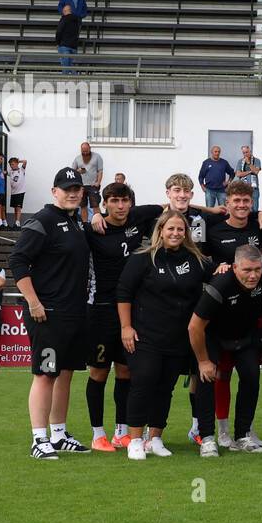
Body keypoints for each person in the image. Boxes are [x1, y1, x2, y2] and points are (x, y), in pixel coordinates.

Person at [8, 167, 93, 459]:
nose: (72, 193)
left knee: (65, 373)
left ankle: (58, 434)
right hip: (49, 314)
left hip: (74, 313)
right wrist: (33, 302)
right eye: (66, 188)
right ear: (54, 191)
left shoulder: (77, 223)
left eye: (76, 189)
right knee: (45, 374)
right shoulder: (42, 220)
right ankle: (39, 438)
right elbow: (18, 261)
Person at [117, 210, 213, 460]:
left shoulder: (196, 259)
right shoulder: (143, 258)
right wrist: (126, 327)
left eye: (180, 229)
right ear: (160, 230)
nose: (175, 233)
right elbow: (124, 292)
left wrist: (225, 267)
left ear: (186, 233)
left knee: (165, 387)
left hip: (178, 337)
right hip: (145, 335)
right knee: (144, 381)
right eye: (170, 228)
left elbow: (217, 275)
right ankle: (135, 440)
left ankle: (155, 438)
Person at [82, 182, 165, 451]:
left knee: (126, 371)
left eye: (124, 200)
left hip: (130, 309)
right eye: (114, 201)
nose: (120, 206)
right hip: (102, 309)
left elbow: (173, 207)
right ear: (105, 203)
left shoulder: (140, 217)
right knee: (99, 373)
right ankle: (97, 434)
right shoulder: (93, 229)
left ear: (131, 201)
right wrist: (93, 215)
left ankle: (121, 431)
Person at [189, 244, 262, 454]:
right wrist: (203, 361)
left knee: (252, 376)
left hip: (245, 336)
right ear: (235, 267)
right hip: (214, 337)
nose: (253, 275)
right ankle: (207, 438)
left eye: (257, 269)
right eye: (247, 270)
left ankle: (242, 435)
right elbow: (194, 326)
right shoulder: (220, 284)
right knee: (207, 377)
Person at [71, 142, 103, 224]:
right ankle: (85, 224)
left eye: (86, 151)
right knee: (83, 206)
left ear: (90, 148)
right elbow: (73, 171)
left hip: (93, 185)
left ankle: (98, 222)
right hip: (81, 186)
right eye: (83, 151)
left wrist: (98, 182)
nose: (85, 153)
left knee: (95, 205)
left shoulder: (97, 157)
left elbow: (100, 171)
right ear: (81, 150)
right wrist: (79, 171)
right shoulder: (77, 158)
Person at [236, 145, 262, 212]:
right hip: (243, 187)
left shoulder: (257, 160)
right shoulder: (240, 161)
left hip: (254, 187)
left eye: (247, 152)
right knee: (245, 207)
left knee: (255, 208)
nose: (245, 154)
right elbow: (238, 174)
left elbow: (256, 172)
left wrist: (248, 163)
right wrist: (250, 171)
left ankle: (254, 221)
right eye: (244, 153)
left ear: (250, 151)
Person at [55, 4, 80, 74]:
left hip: (64, 46)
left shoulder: (64, 19)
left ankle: (65, 81)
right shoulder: (77, 20)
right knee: (71, 65)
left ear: (65, 11)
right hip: (74, 46)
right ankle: (76, 81)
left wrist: (57, 42)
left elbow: (59, 31)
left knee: (65, 67)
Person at [7, 158, 27, 228]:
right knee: (15, 208)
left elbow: (25, 161)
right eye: (10, 165)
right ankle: (16, 222)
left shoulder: (21, 170)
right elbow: (5, 173)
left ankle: (18, 222)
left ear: (17, 163)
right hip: (13, 193)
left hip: (20, 191)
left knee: (18, 207)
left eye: (13, 164)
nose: (12, 166)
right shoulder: (11, 171)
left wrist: (18, 161)